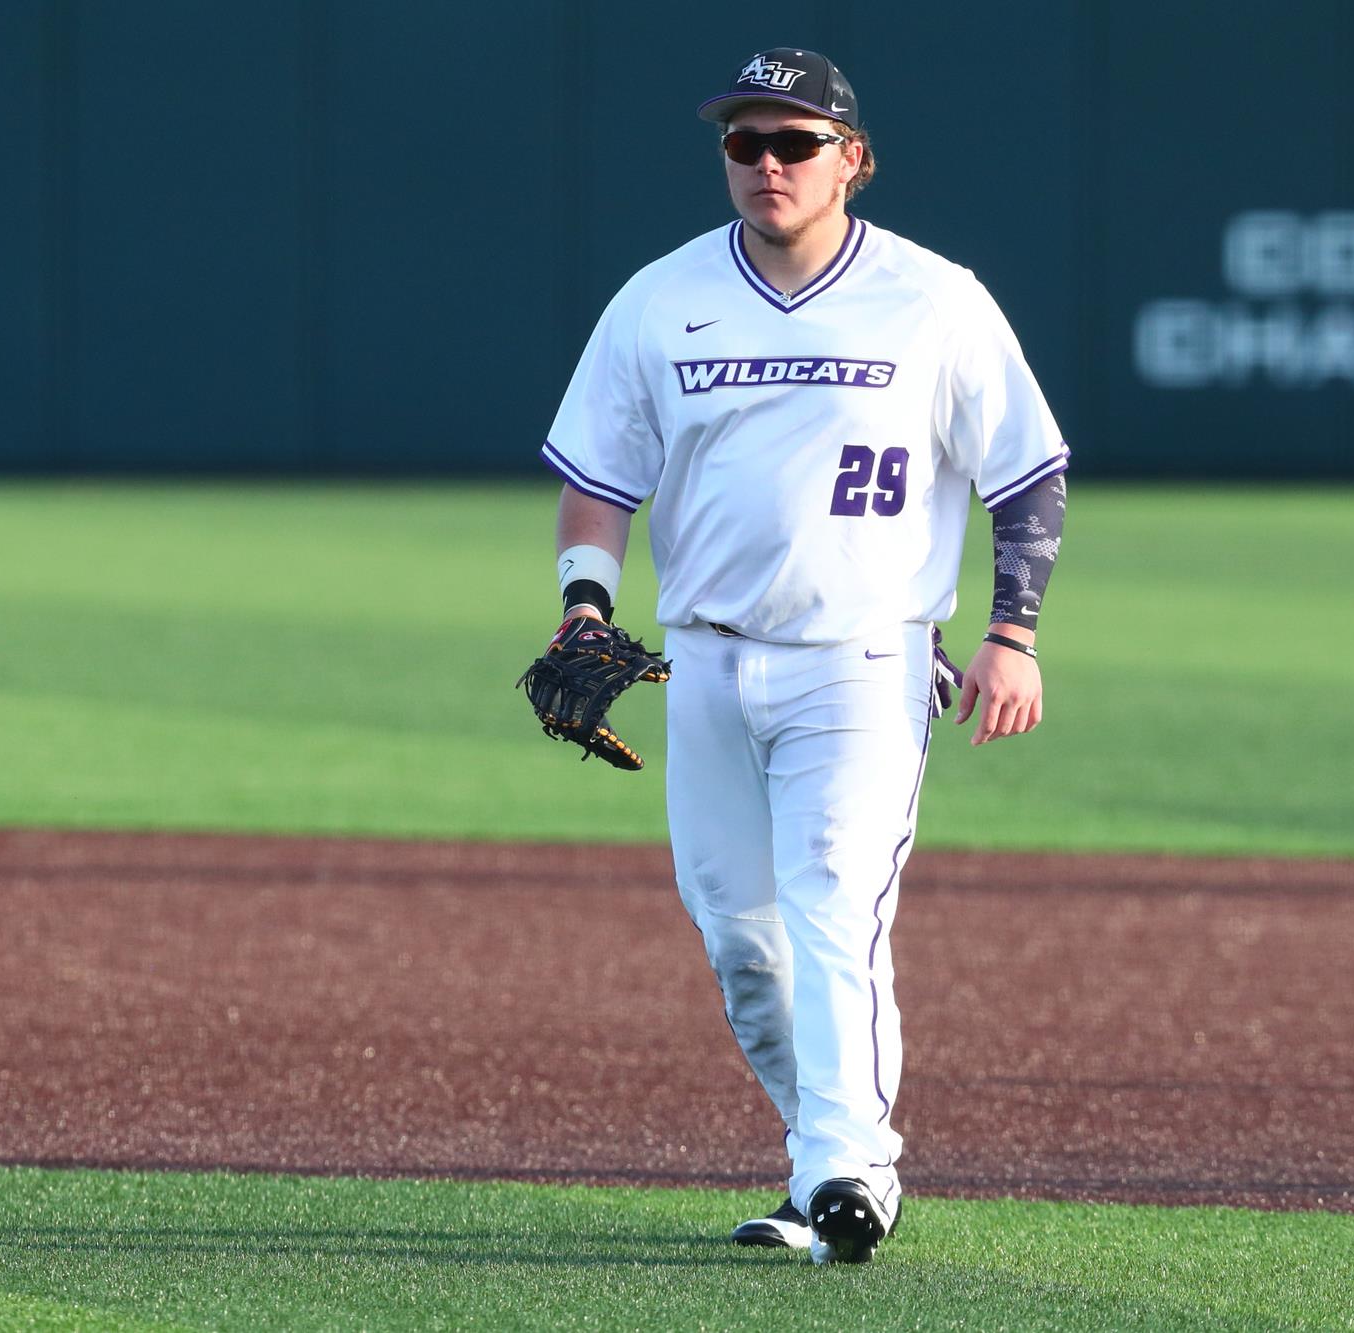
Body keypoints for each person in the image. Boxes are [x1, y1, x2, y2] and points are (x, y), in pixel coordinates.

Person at [538, 47, 1069, 1264]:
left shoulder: (932, 298)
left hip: (864, 662)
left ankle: (844, 1178)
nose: (766, 164)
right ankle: (827, 1156)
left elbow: (1026, 474)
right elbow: (598, 479)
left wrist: (1010, 632)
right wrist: (581, 606)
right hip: (707, 662)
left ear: (852, 160)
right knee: (739, 938)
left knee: (833, 905)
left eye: (794, 143)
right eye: (743, 143)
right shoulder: (658, 299)